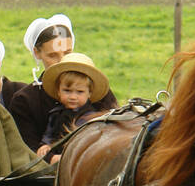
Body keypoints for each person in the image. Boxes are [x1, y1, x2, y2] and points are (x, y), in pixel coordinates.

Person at [8, 13, 118, 151]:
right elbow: (28, 149)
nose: (61, 61)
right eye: (52, 55)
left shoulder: (95, 87)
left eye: (67, 53)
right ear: (37, 53)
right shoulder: (25, 100)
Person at [35, 53, 110, 163]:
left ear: (89, 93)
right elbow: (49, 134)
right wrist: (46, 145)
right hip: (56, 158)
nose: (73, 97)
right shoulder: (56, 114)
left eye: (80, 92)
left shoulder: (91, 118)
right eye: (67, 91)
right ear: (58, 91)